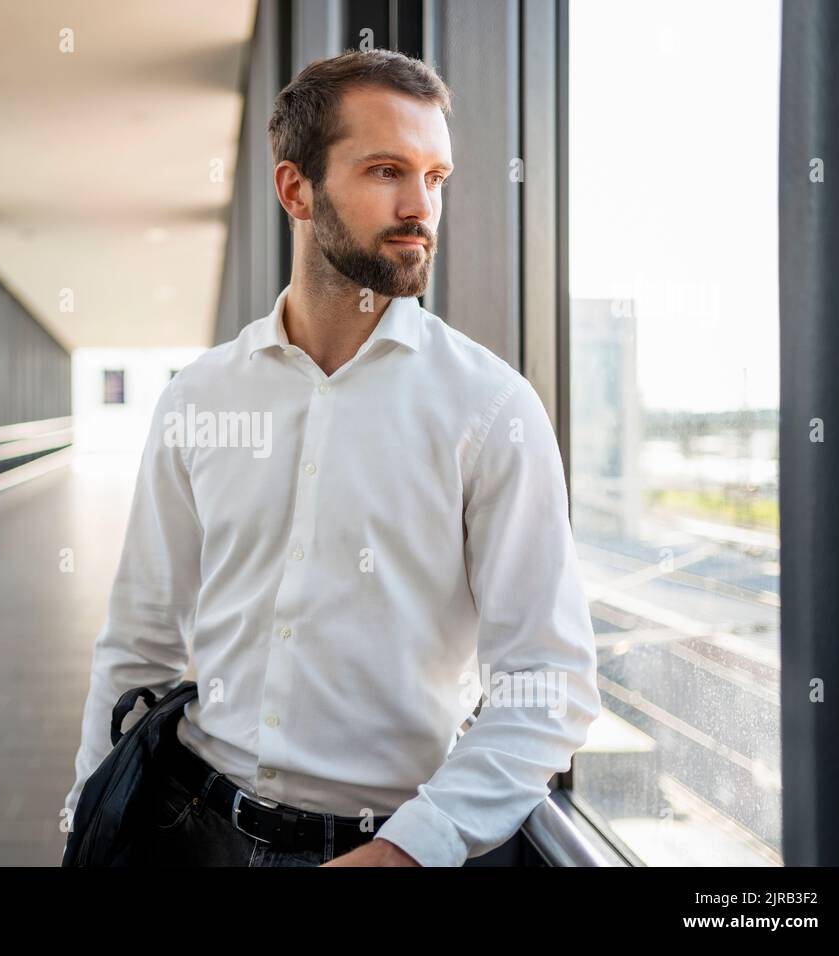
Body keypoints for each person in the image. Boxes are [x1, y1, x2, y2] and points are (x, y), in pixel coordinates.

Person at [63, 48, 601, 867]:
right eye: (387, 170)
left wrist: (409, 851)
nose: (420, 206)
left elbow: (547, 685)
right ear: (296, 189)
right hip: (189, 831)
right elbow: (138, 643)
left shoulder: (492, 410)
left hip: (388, 846)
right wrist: (87, 816)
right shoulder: (200, 399)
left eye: (436, 177)